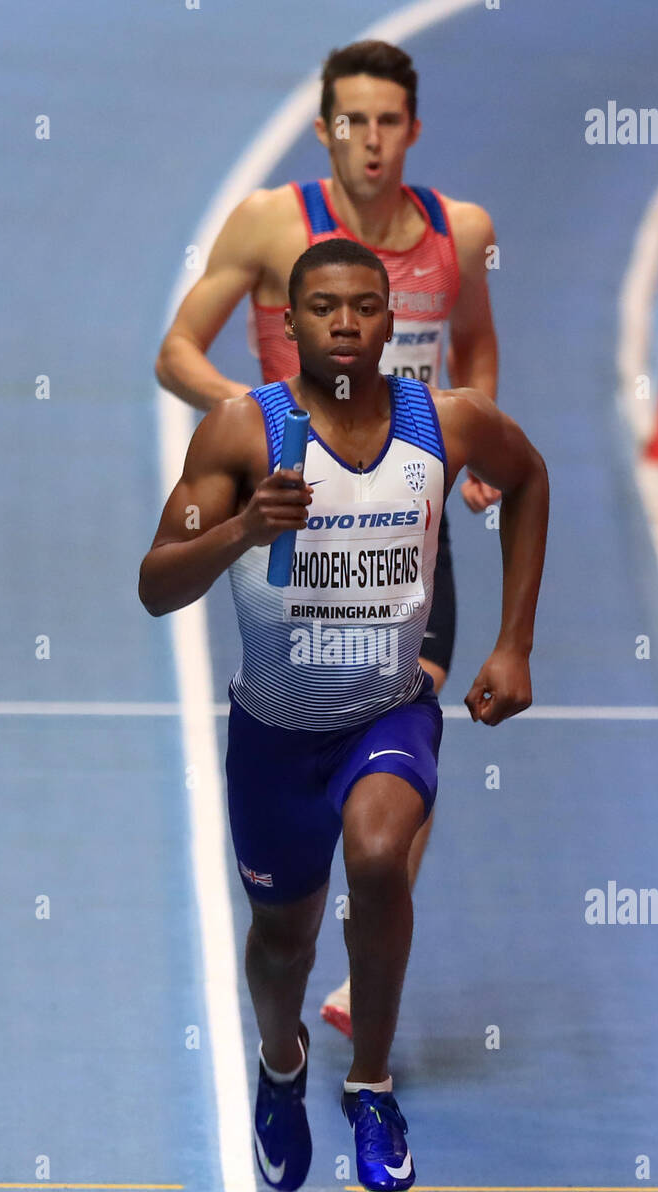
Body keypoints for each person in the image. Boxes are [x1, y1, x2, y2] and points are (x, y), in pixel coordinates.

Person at [139, 240, 548, 1192]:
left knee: (376, 855)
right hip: (275, 741)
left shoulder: (445, 422)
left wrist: (513, 642)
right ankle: (281, 1068)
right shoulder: (243, 435)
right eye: (324, 308)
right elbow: (157, 584)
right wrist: (245, 529)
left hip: (387, 715)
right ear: (291, 324)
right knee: (282, 942)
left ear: (390, 321)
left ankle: (370, 1084)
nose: (347, 324)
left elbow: (526, 480)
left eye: (366, 306)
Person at [154, 40, 503, 1038]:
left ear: (414, 131)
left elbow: (474, 343)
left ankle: (370, 935)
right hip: (295, 539)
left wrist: (471, 435)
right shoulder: (271, 222)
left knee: (409, 718)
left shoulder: (458, 231)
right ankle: (299, 929)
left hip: (407, 524)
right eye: (352, 120)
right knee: (301, 733)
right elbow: (176, 351)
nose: (371, 140)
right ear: (324, 129)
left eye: (388, 121)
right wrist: (267, 418)